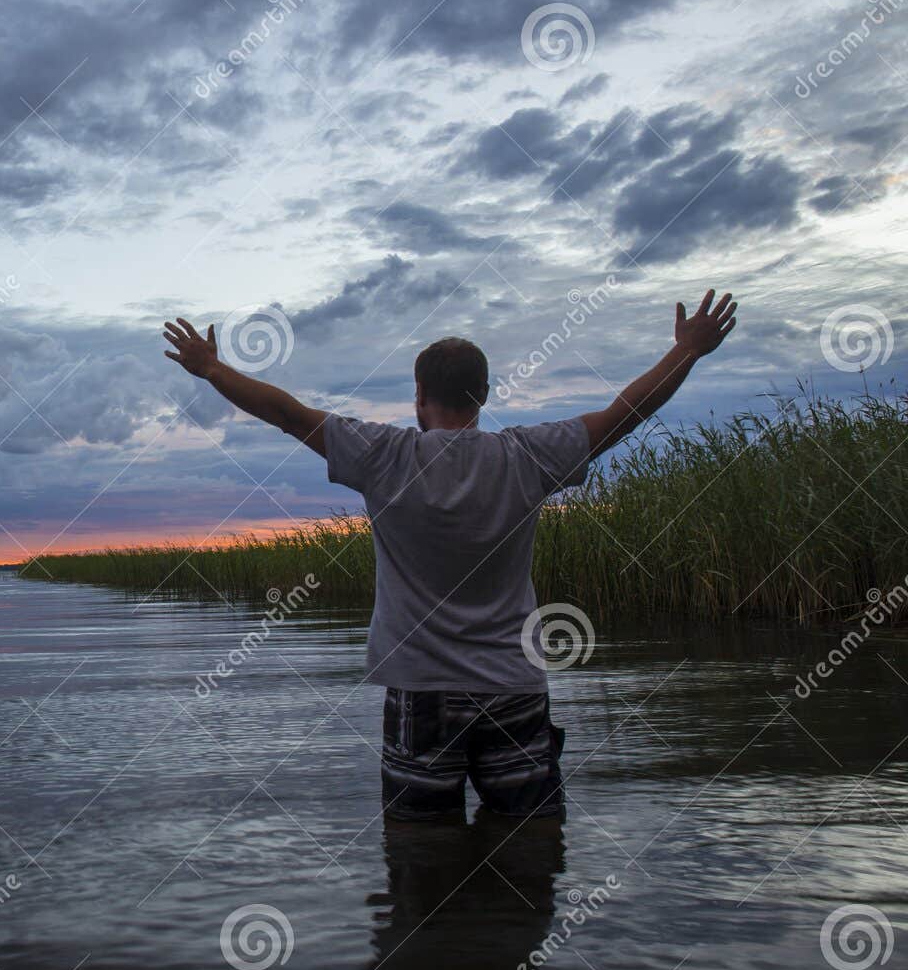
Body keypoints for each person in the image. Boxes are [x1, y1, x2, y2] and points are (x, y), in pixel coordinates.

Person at [162, 289, 739, 820]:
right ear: (483, 395)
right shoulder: (527, 456)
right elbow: (626, 415)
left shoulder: (383, 455)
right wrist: (686, 352)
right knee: (529, 842)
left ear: (418, 396)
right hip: (514, 687)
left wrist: (211, 367)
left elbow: (287, 414)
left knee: (420, 851)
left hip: (424, 691)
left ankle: (440, 930)